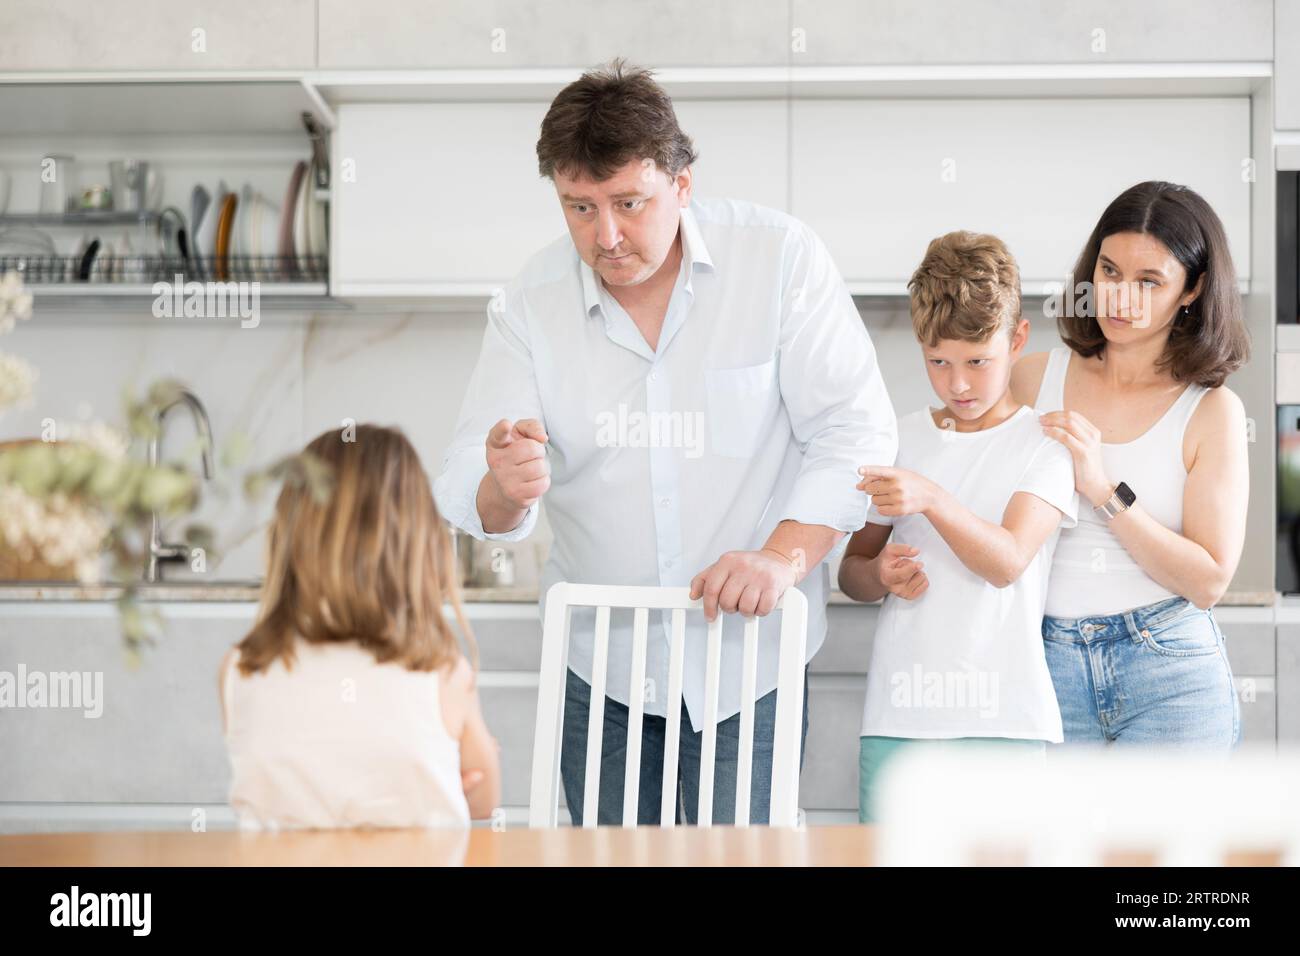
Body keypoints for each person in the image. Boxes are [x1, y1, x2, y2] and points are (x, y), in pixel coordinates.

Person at [434, 60, 897, 824]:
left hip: (750, 666)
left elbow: (855, 430)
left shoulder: (779, 259)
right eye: (579, 208)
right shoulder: (529, 304)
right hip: (601, 670)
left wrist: (781, 557)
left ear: (683, 183)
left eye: (629, 202)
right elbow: (467, 477)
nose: (606, 236)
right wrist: (502, 487)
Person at [840, 231, 1078, 823]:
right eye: (938, 362)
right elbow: (851, 574)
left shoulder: (1044, 446)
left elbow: (1007, 562)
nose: (958, 384)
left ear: (1017, 340)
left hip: (1005, 722)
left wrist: (931, 498)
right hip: (900, 719)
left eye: (977, 362)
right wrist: (879, 574)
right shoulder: (899, 438)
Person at [1010, 180, 1250, 748]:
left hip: (1171, 674)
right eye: (1110, 271)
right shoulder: (1031, 378)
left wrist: (1102, 489)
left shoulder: (1211, 410)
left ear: (1192, 288)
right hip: (1045, 664)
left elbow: (1209, 580)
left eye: (1149, 281)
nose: (1120, 298)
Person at [220, 424, 500, 829]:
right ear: (418, 543)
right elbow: (484, 800)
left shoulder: (240, 669)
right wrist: (439, 778)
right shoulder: (442, 672)